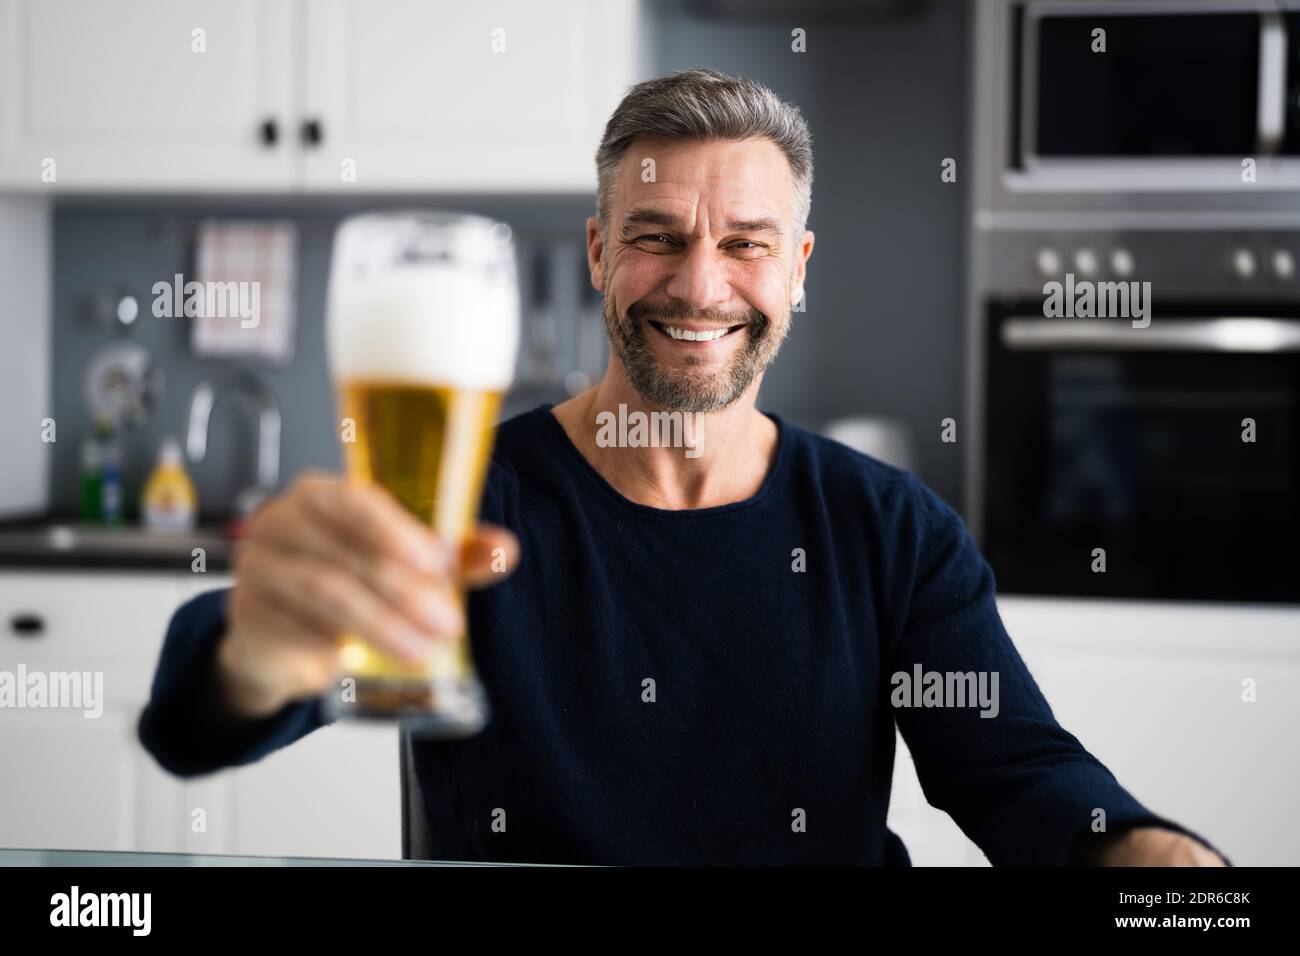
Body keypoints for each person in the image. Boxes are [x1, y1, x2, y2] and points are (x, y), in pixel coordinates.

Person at [140, 69, 1224, 866]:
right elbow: (200, 719)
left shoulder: (887, 527)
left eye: (746, 242)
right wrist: (254, 651)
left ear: (795, 270)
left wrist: (1157, 862)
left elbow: (1027, 774)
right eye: (656, 236)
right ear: (601, 253)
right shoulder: (464, 500)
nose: (699, 285)